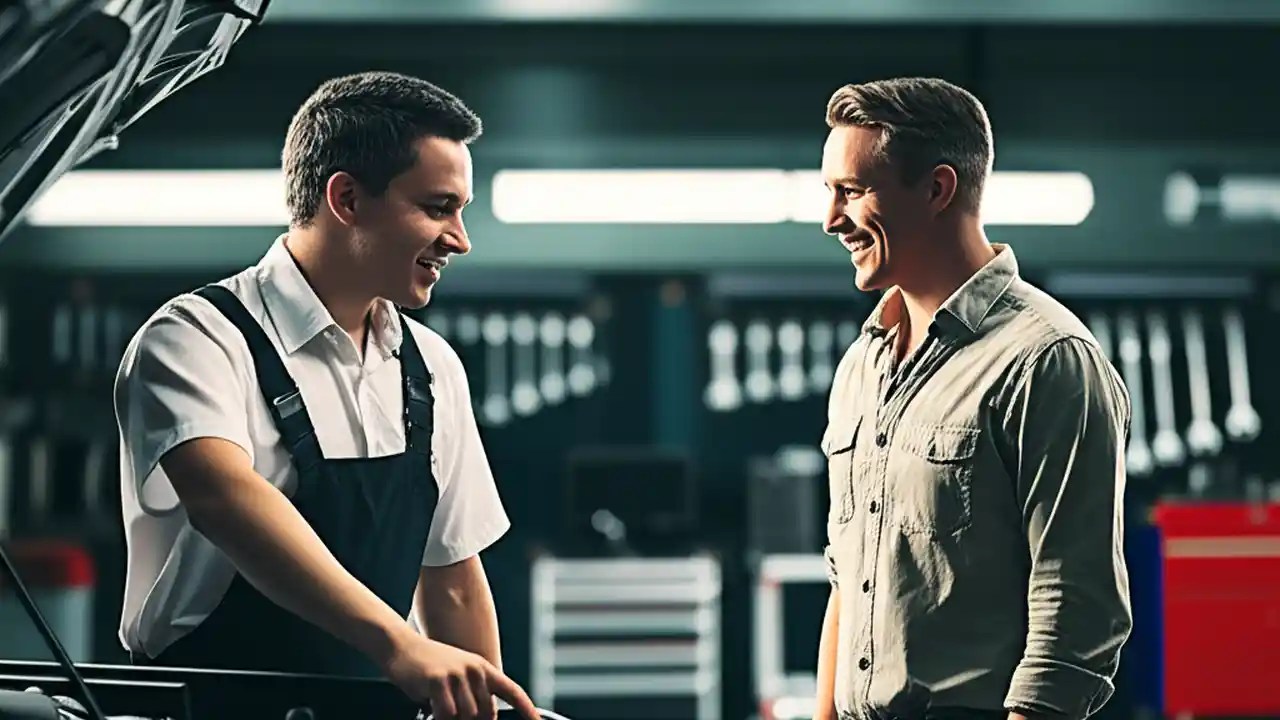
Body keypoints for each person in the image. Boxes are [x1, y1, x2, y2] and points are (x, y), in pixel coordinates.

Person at [114, 71, 540, 720]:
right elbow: (226, 500)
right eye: (437, 207)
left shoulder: (432, 369)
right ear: (346, 199)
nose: (460, 237)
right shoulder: (195, 339)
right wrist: (400, 645)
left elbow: (450, 580)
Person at [813, 77, 1133, 720]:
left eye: (852, 191)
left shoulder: (1046, 361)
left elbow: (1074, 613)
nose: (831, 221)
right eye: (830, 194)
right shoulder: (862, 366)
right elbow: (848, 583)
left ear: (936, 189)